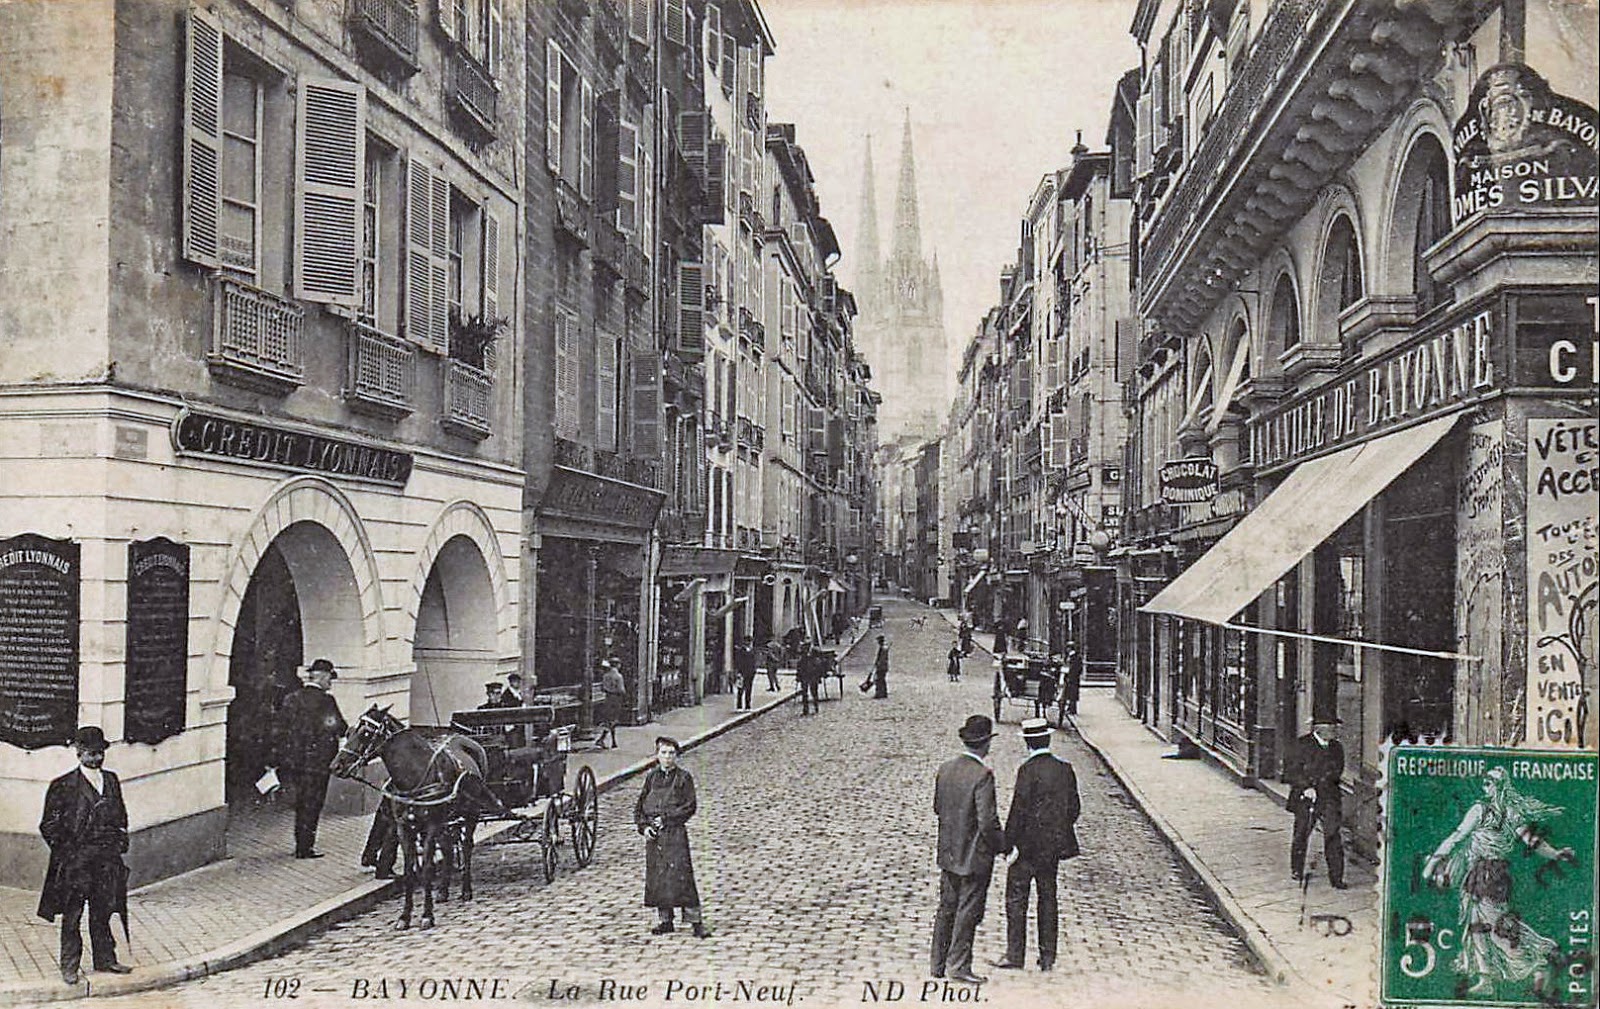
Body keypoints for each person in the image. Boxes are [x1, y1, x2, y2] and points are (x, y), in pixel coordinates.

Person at [1423, 765, 1576, 997]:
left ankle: (1537, 963)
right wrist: (1555, 854)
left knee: (1496, 926)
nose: (1485, 785)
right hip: (1489, 874)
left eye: (1489, 782)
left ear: (1499, 786)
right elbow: (1532, 841)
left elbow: (1457, 837)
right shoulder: (1510, 812)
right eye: (1484, 781)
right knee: (1477, 924)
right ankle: (1486, 978)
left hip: (1487, 874)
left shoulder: (1481, 810)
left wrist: (1431, 864)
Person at [38, 726, 133, 985]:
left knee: (103, 910)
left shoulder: (111, 780)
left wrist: (120, 840)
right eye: (91, 754)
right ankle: (70, 966)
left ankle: (105, 959)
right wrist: (68, 853)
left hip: (106, 860)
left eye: (100, 753)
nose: (96, 758)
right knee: (73, 915)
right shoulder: (63, 785)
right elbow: (48, 825)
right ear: (78, 754)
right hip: (77, 863)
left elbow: (121, 815)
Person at [996, 718, 1080, 972]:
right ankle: (1047, 956)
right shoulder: (1065, 769)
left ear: (1027, 743)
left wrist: (1007, 844)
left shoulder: (1027, 770)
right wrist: (1057, 832)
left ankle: (1014, 955)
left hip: (1026, 849)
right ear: (1048, 739)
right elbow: (1074, 808)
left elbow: (1018, 811)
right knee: (1048, 898)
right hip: (1051, 849)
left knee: (1016, 898)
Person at [931, 715, 1007, 985]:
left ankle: (937, 964)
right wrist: (1003, 846)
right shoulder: (983, 775)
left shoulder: (946, 768)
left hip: (949, 852)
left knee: (946, 908)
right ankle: (959, 966)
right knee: (967, 911)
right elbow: (987, 821)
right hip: (974, 856)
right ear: (985, 743)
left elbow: (938, 808)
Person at [633, 737, 710, 938]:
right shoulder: (651, 778)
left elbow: (689, 806)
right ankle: (665, 920)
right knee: (658, 878)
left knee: (681, 876)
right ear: (657, 755)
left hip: (674, 834)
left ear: (676, 756)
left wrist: (667, 818)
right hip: (655, 837)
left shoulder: (684, 778)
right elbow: (639, 806)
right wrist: (644, 827)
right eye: (663, 753)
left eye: (671, 753)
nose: (667, 757)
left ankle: (695, 921)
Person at [274, 658, 348, 859]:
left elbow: (279, 731)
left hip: (295, 763)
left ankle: (300, 843)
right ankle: (305, 847)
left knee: (301, 803)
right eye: (330, 679)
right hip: (318, 764)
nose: (330, 683)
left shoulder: (292, 699)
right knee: (313, 804)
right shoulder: (326, 701)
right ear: (322, 677)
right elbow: (338, 727)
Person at [1283, 718, 1346, 888]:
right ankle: (1297, 869)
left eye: (1335, 728)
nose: (1335, 731)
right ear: (1318, 729)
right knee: (1302, 833)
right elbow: (1290, 772)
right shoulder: (1301, 745)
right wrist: (1306, 787)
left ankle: (1337, 877)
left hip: (1329, 797)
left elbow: (1338, 770)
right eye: (1331, 728)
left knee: (1333, 835)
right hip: (1307, 798)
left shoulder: (1336, 747)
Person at [797, 646, 824, 715]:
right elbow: (799, 670)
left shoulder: (815, 661)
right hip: (807, 678)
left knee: (811, 693)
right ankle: (808, 708)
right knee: (809, 693)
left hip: (810, 678)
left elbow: (819, 670)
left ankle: (813, 708)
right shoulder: (803, 661)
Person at [733, 637, 758, 711]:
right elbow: (738, 662)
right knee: (741, 689)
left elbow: (754, 661)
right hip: (742, 672)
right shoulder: (740, 651)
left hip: (750, 672)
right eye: (747, 641)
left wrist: (754, 670)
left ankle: (748, 705)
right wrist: (738, 672)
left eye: (749, 641)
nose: (748, 643)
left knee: (749, 689)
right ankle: (739, 706)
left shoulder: (752, 651)